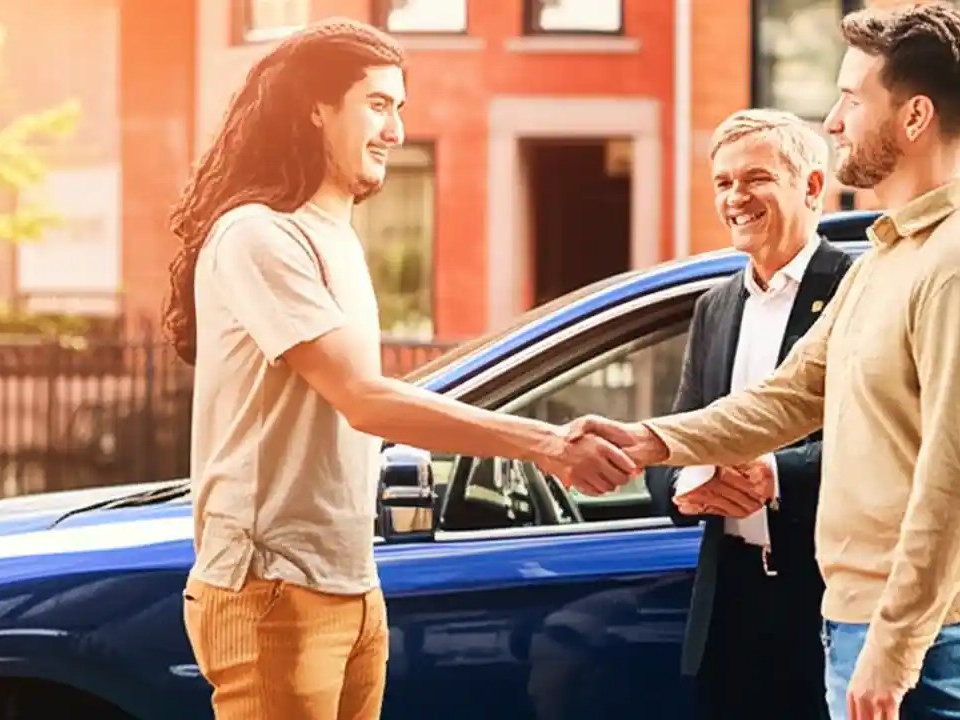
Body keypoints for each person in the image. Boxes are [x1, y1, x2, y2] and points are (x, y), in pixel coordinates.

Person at [163, 18, 635, 720]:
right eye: (378, 105)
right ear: (314, 109)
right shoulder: (260, 234)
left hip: (348, 580)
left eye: (399, 109)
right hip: (273, 585)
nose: (395, 130)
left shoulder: (337, 238)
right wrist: (548, 445)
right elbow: (364, 400)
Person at [571, 3, 960, 720]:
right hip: (859, 618)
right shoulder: (893, 253)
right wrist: (653, 441)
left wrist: (893, 648)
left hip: (922, 637)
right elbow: (790, 395)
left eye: (852, 97)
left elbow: (958, 487)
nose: (835, 121)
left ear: (912, 118)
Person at [643, 108, 851, 720]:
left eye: (755, 178)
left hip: (822, 601)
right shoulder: (715, 306)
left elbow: (881, 442)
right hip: (728, 606)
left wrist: (776, 475)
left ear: (812, 187)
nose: (735, 197)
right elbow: (677, 440)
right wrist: (687, 486)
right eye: (723, 183)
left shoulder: (856, 288)